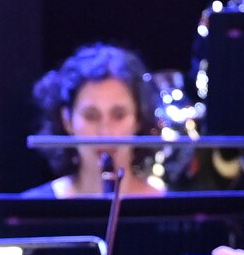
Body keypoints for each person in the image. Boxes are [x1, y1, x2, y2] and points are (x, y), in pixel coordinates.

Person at [27, 44, 164, 198]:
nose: (105, 132)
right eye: (91, 116)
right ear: (67, 120)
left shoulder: (171, 209)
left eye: (118, 115)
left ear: (139, 118)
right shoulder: (30, 209)